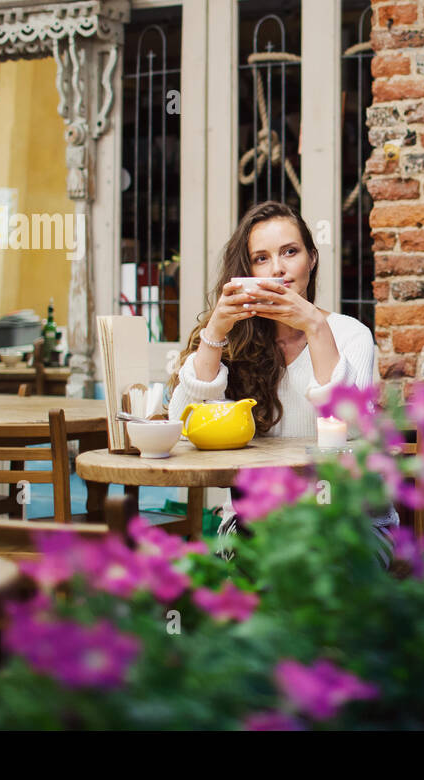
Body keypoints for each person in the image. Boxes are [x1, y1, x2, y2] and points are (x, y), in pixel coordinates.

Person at [167, 201, 398, 550]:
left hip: (349, 520)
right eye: (261, 258)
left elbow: (349, 431)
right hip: (257, 523)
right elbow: (181, 429)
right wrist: (214, 331)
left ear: (312, 258)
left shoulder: (350, 334)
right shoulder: (236, 340)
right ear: (248, 270)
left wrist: (315, 327)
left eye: (290, 252)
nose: (278, 269)